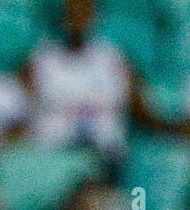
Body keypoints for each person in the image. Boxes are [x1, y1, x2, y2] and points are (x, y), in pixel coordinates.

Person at [23, 0, 190, 162]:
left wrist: (174, 129)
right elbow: (21, 113)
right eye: (72, 12)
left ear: (94, 15)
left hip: (104, 157)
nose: (77, 18)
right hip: (52, 151)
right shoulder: (40, 60)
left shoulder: (114, 59)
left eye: (83, 11)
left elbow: (141, 112)